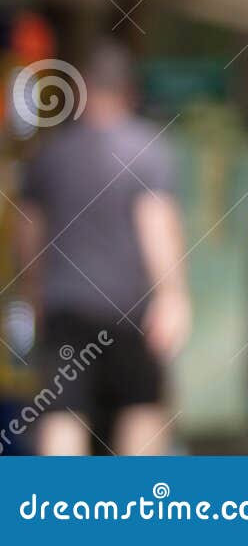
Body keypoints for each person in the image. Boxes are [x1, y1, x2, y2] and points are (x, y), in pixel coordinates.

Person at [14, 39, 190, 455]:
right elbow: (157, 225)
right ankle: (138, 511)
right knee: (142, 407)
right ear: (128, 89)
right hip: (130, 308)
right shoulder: (148, 148)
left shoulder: (50, 154)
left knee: (63, 411)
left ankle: (58, 513)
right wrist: (173, 296)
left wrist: (33, 293)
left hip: (64, 306)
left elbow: (28, 233)